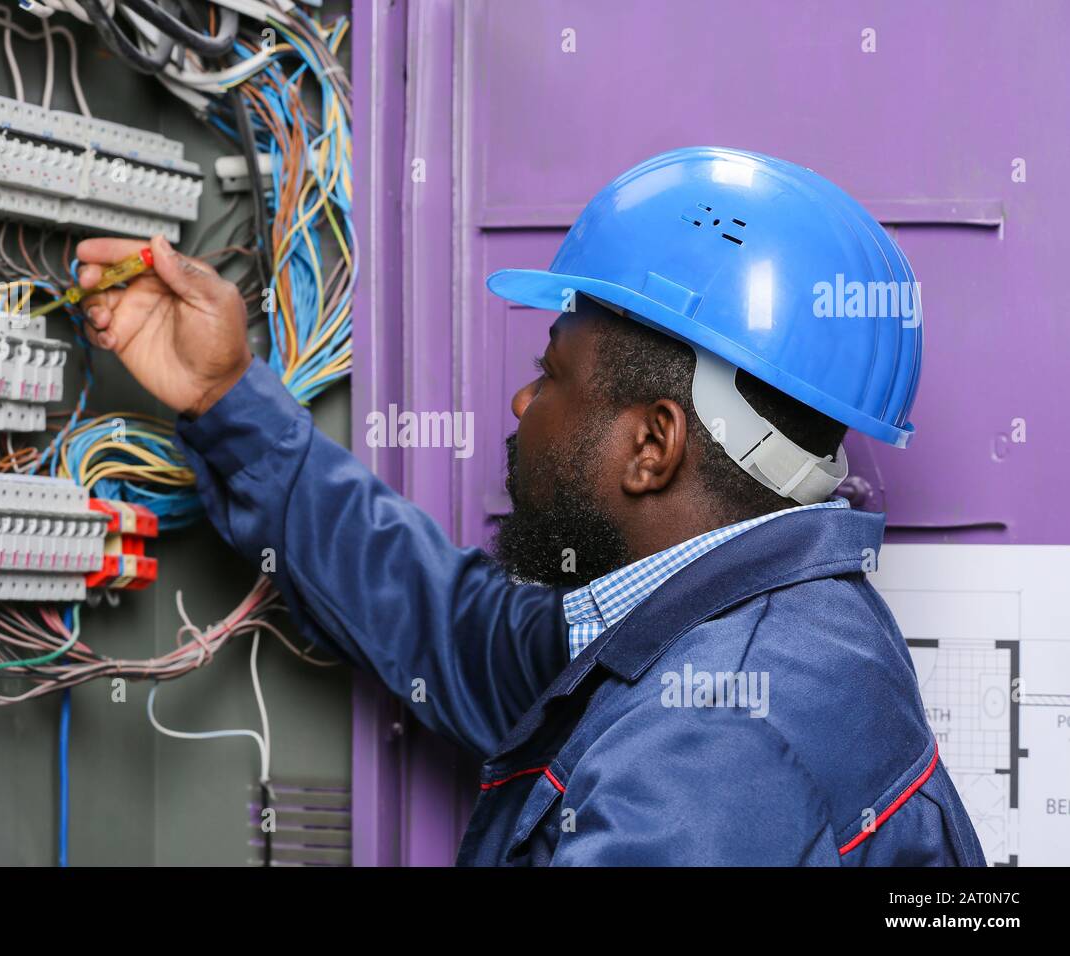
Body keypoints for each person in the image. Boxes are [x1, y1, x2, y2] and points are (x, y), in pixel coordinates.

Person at [75, 147, 985, 866]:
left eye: (549, 373)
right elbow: (447, 623)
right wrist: (227, 395)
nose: (520, 405)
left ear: (652, 446)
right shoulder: (734, 632)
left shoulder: (714, 757)